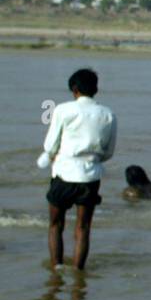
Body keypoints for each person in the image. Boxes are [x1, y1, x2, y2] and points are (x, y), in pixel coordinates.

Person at [39, 68, 116, 270]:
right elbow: (108, 152)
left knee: (55, 225)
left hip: (64, 174)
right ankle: (77, 273)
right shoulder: (108, 114)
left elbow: (49, 146)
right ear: (95, 89)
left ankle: (57, 270)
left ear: (75, 90)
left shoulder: (63, 110)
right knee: (83, 228)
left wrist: (52, 155)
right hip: (90, 177)